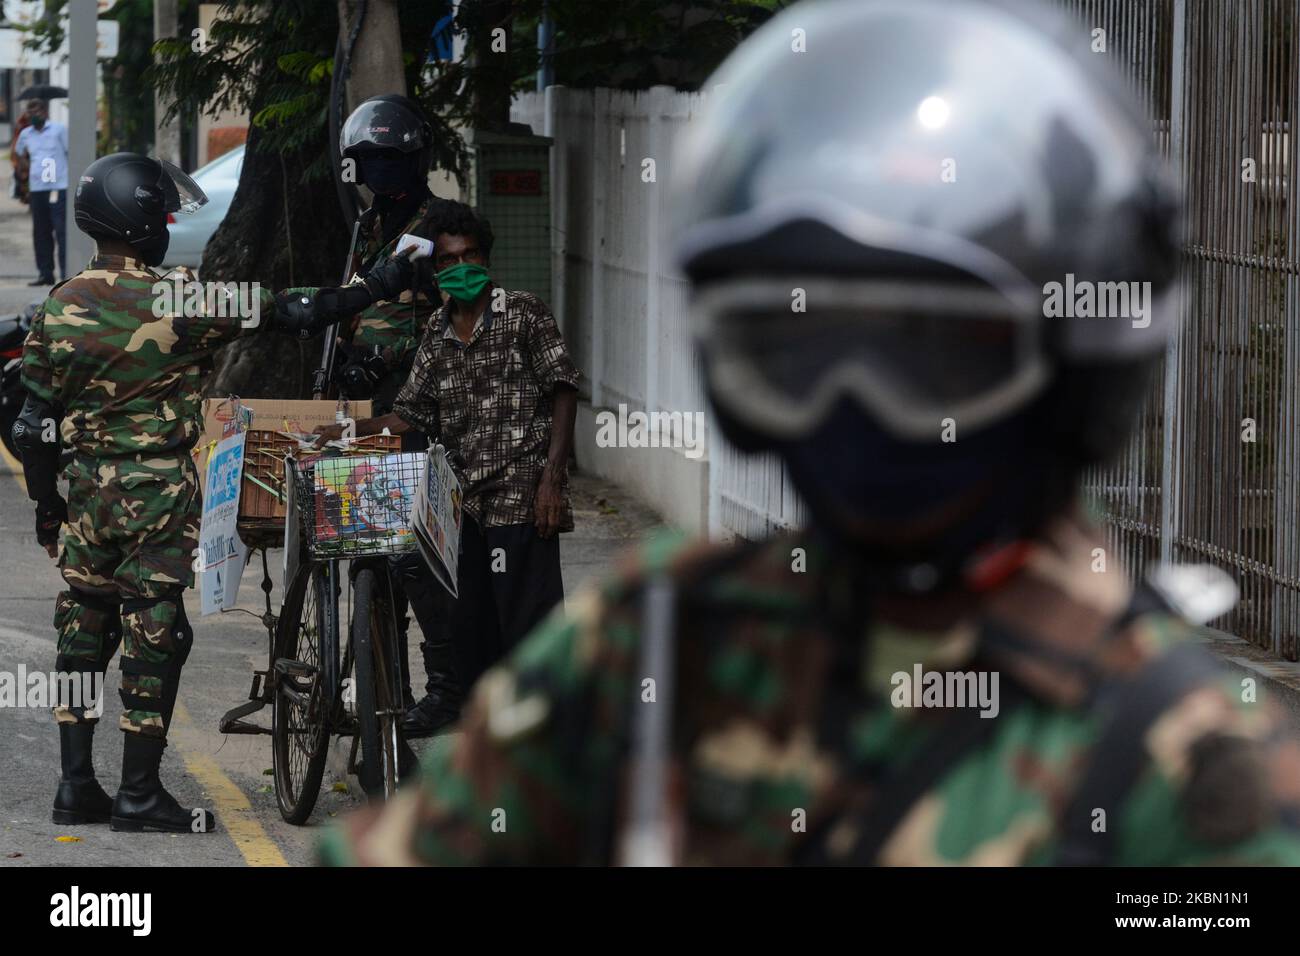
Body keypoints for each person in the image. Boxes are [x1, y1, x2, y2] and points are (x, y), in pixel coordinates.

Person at [319, 0, 1300, 866]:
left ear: (1076, 364)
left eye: (928, 355)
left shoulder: (1189, 776)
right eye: (794, 348)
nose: (856, 404)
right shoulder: (653, 646)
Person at [14, 151, 411, 833]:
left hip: (84, 497)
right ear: (141, 220)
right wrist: (375, 285)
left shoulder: (60, 304)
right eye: (160, 211)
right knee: (155, 630)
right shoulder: (178, 298)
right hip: (155, 496)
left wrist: (51, 508)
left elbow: (31, 427)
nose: (167, 221)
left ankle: (75, 785)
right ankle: (138, 793)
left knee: (83, 627)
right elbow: (294, 311)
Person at [316, 200, 580, 736]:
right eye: (449, 260)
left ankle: (550, 748)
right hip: (463, 510)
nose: (461, 268)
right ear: (434, 270)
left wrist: (553, 480)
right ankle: (489, 748)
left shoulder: (524, 313)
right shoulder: (435, 334)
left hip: (520, 498)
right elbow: (408, 412)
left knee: (531, 634)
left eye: (471, 256)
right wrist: (344, 431)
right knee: (472, 636)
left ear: (486, 260)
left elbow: (563, 389)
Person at [332, 93, 459, 726]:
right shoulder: (366, 228)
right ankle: (386, 689)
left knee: (416, 554)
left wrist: (385, 359)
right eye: (366, 160)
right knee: (368, 551)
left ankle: (445, 689)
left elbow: (458, 319)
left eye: (388, 159)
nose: (377, 173)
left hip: (423, 411)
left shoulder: (442, 226)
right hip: (368, 410)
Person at [14, 98, 68, 286]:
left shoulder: (58, 130)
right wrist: (24, 170)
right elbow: (20, 155)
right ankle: (45, 274)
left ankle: (66, 274)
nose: (33, 116)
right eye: (30, 113)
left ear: (45, 112)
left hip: (58, 188)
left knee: (61, 230)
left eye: (36, 112)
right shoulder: (25, 134)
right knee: (41, 233)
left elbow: (70, 152)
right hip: (37, 190)